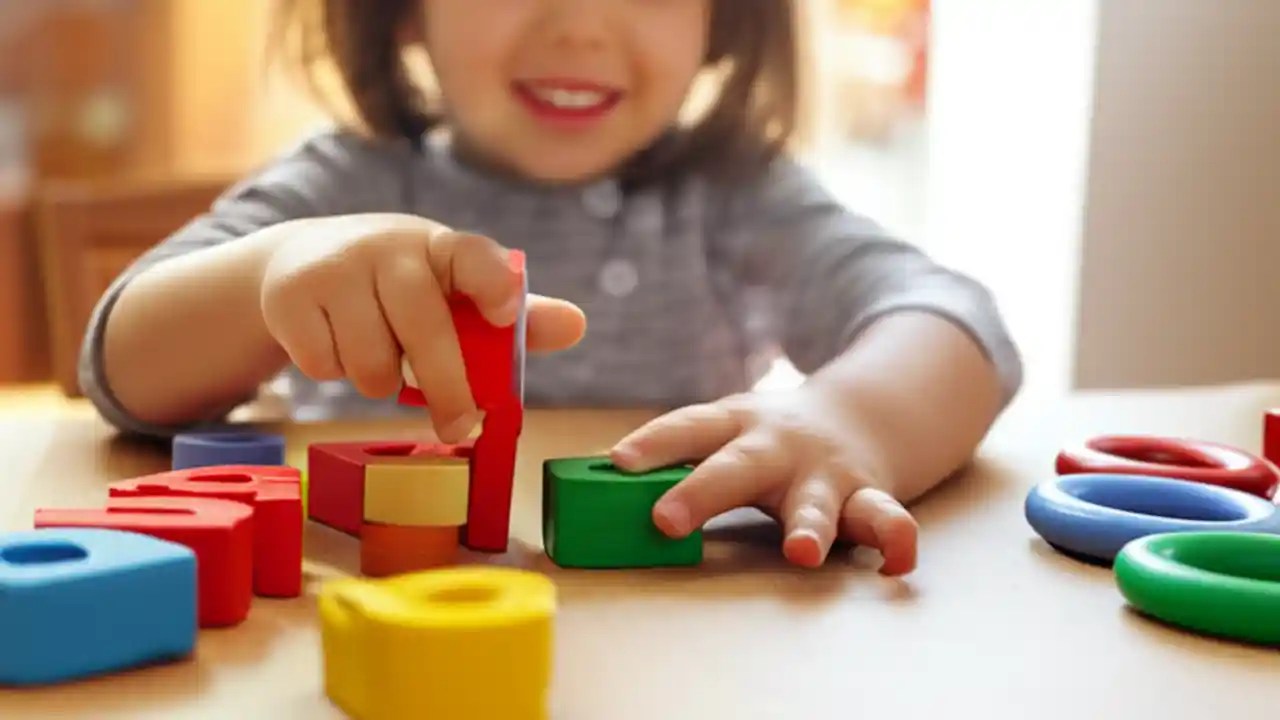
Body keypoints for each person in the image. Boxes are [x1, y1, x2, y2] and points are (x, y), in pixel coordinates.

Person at [78, 0, 1022, 575]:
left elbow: (954, 323)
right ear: (404, 8)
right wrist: (269, 279)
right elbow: (117, 365)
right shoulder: (353, 181)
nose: (578, 24)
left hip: (685, 625)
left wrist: (853, 423)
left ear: (723, 19)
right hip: (383, 607)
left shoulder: (735, 192)